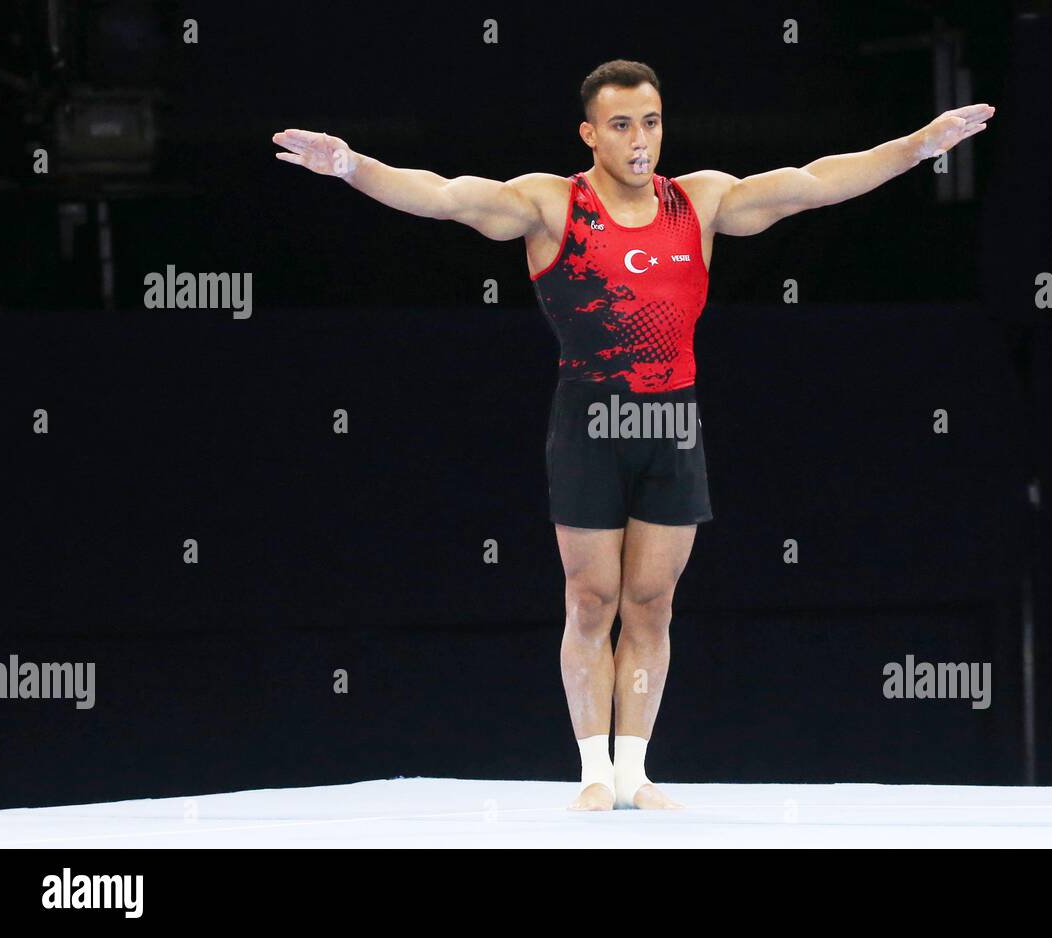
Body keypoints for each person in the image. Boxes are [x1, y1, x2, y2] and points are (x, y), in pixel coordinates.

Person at [273, 59, 992, 811]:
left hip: (672, 421)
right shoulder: (552, 204)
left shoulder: (701, 201)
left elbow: (814, 182)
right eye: (621, 125)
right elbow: (448, 197)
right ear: (590, 134)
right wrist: (352, 165)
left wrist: (917, 145)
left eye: (650, 121)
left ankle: (634, 772)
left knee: (651, 603)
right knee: (591, 599)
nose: (640, 138)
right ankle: (591, 770)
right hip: (587, 419)